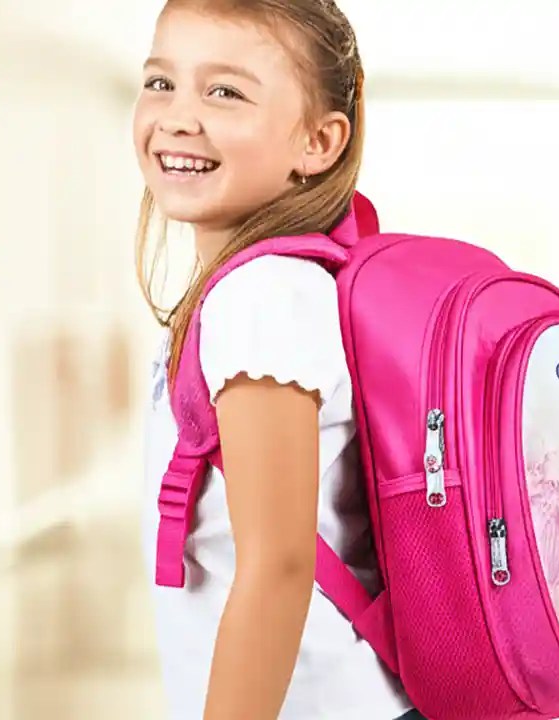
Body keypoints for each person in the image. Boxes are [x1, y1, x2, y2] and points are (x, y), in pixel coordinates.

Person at [133, 2, 419, 718]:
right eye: (161, 82)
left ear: (319, 142)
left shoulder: (260, 298)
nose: (177, 117)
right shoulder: (268, 286)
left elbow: (277, 567)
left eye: (224, 92)